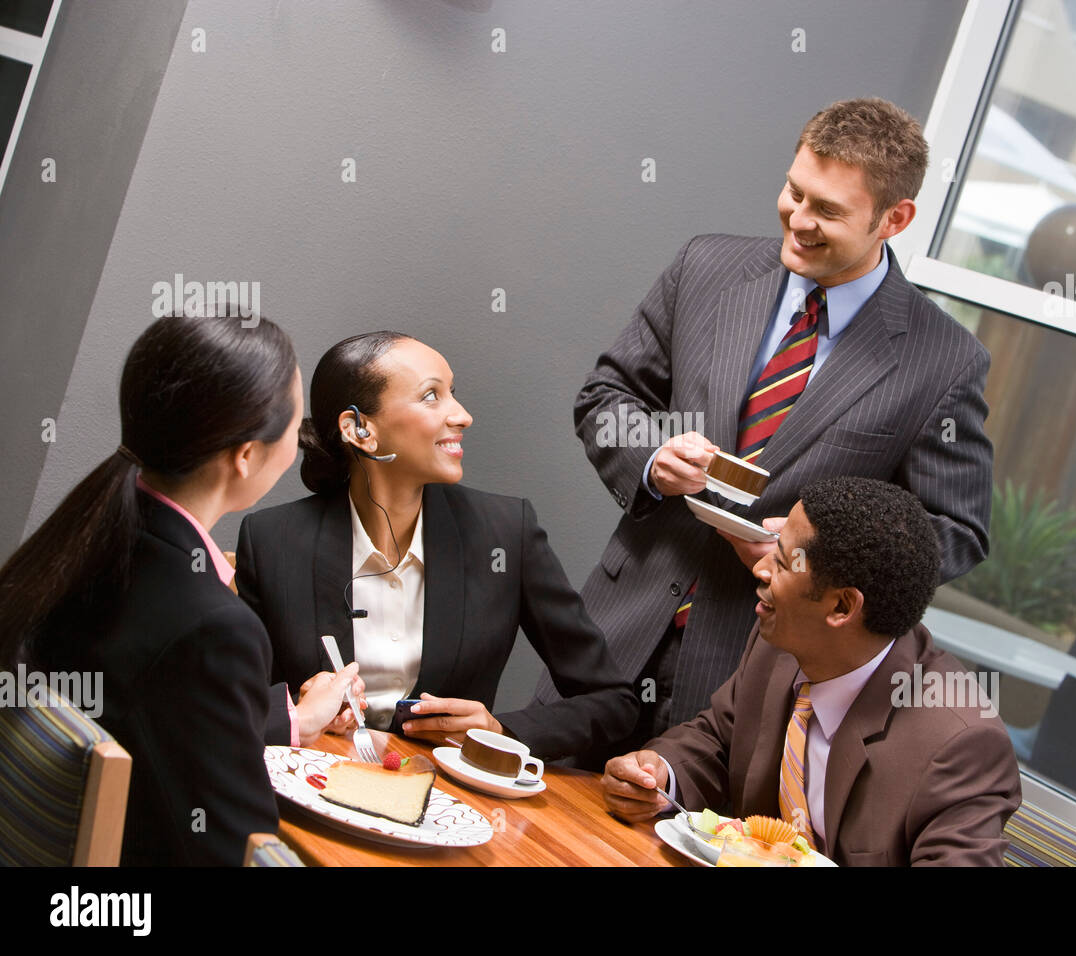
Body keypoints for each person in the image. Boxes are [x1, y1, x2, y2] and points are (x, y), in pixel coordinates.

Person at [535, 97, 995, 757]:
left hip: (753, 681)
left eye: (828, 210)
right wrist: (652, 456)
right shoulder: (706, 268)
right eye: (793, 191)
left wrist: (827, 550)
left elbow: (958, 531)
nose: (798, 221)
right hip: (608, 638)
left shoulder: (943, 361)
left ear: (895, 218)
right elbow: (606, 396)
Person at [0, 313, 359, 866]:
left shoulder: (92, 544)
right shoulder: (214, 626)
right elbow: (239, 850)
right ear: (245, 456)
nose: (301, 437)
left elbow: (141, 700)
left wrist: (294, 718)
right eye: (292, 425)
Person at [236, 331, 639, 761]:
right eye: (432, 396)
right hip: (311, 800)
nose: (463, 416)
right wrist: (296, 708)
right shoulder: (270, 541)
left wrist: (499, 731)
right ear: (359, 429)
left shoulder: (506, 533)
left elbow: (614, 702)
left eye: (453, 393)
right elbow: (231, 711)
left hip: (453, 814)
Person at [600, 477, 1021, 866]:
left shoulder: (961, 744)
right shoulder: (778, 643)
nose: (760, 570)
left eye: (782, 563)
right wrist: (659, 774)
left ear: (841, 607)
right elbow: (718, 740)